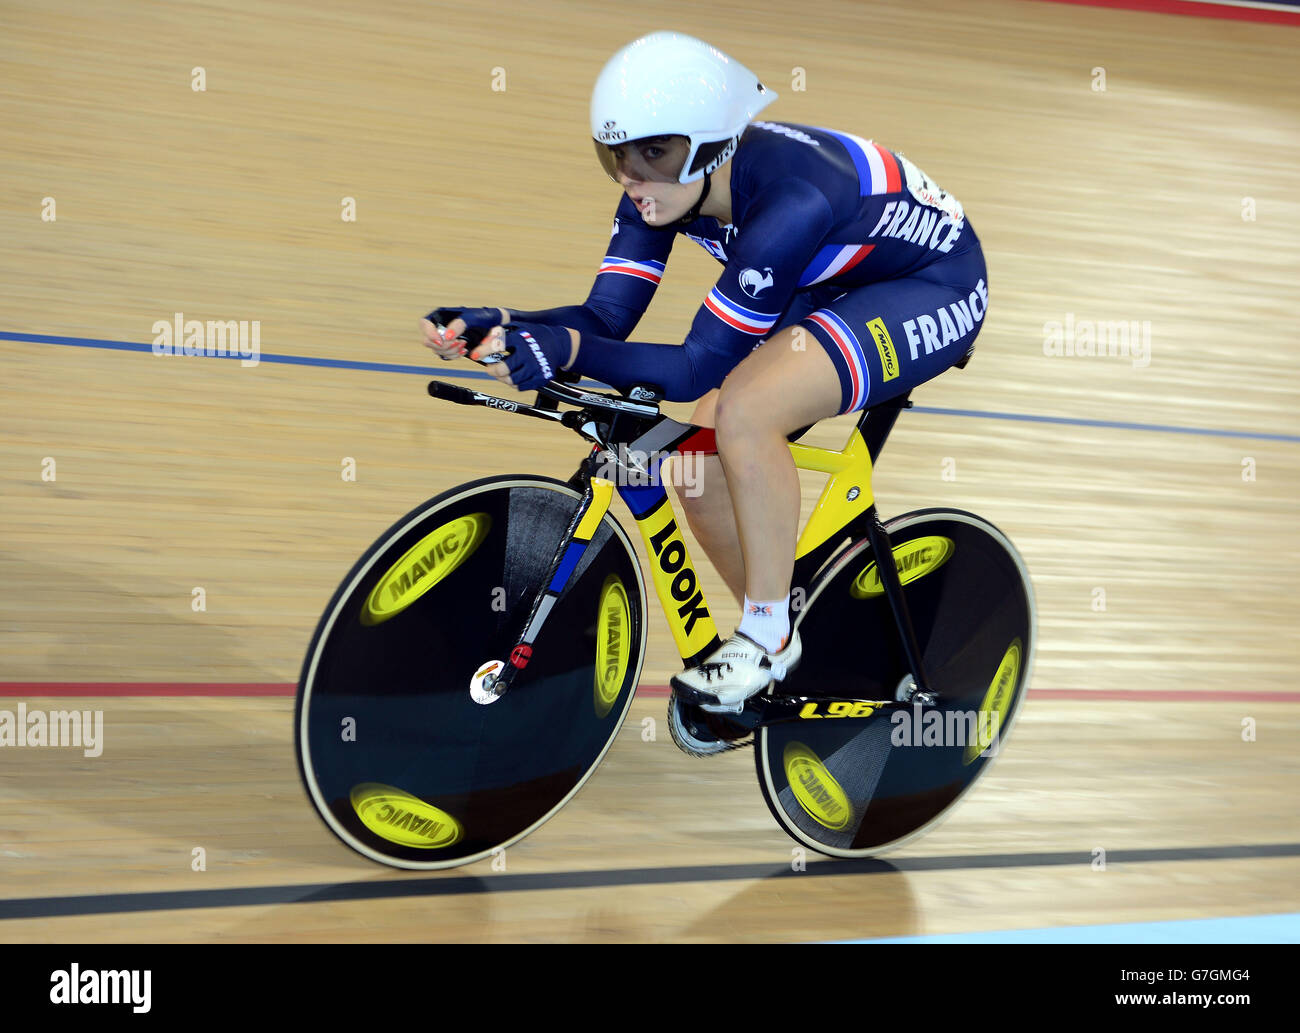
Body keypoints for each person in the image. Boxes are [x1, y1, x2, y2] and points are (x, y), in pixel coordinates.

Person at [421, 31, 988, 717]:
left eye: (653, 153)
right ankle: (800, 625)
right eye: (616, 155)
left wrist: (563, 350)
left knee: (745, 409)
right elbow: (605, 316)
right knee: (698, 462)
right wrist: (508, 323)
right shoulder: (664, 188)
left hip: (933, 284)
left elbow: (696, 367)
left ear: (715, 146)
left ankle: (767, 640)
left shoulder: (789, 203)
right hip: (832, 274)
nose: (633, 176)